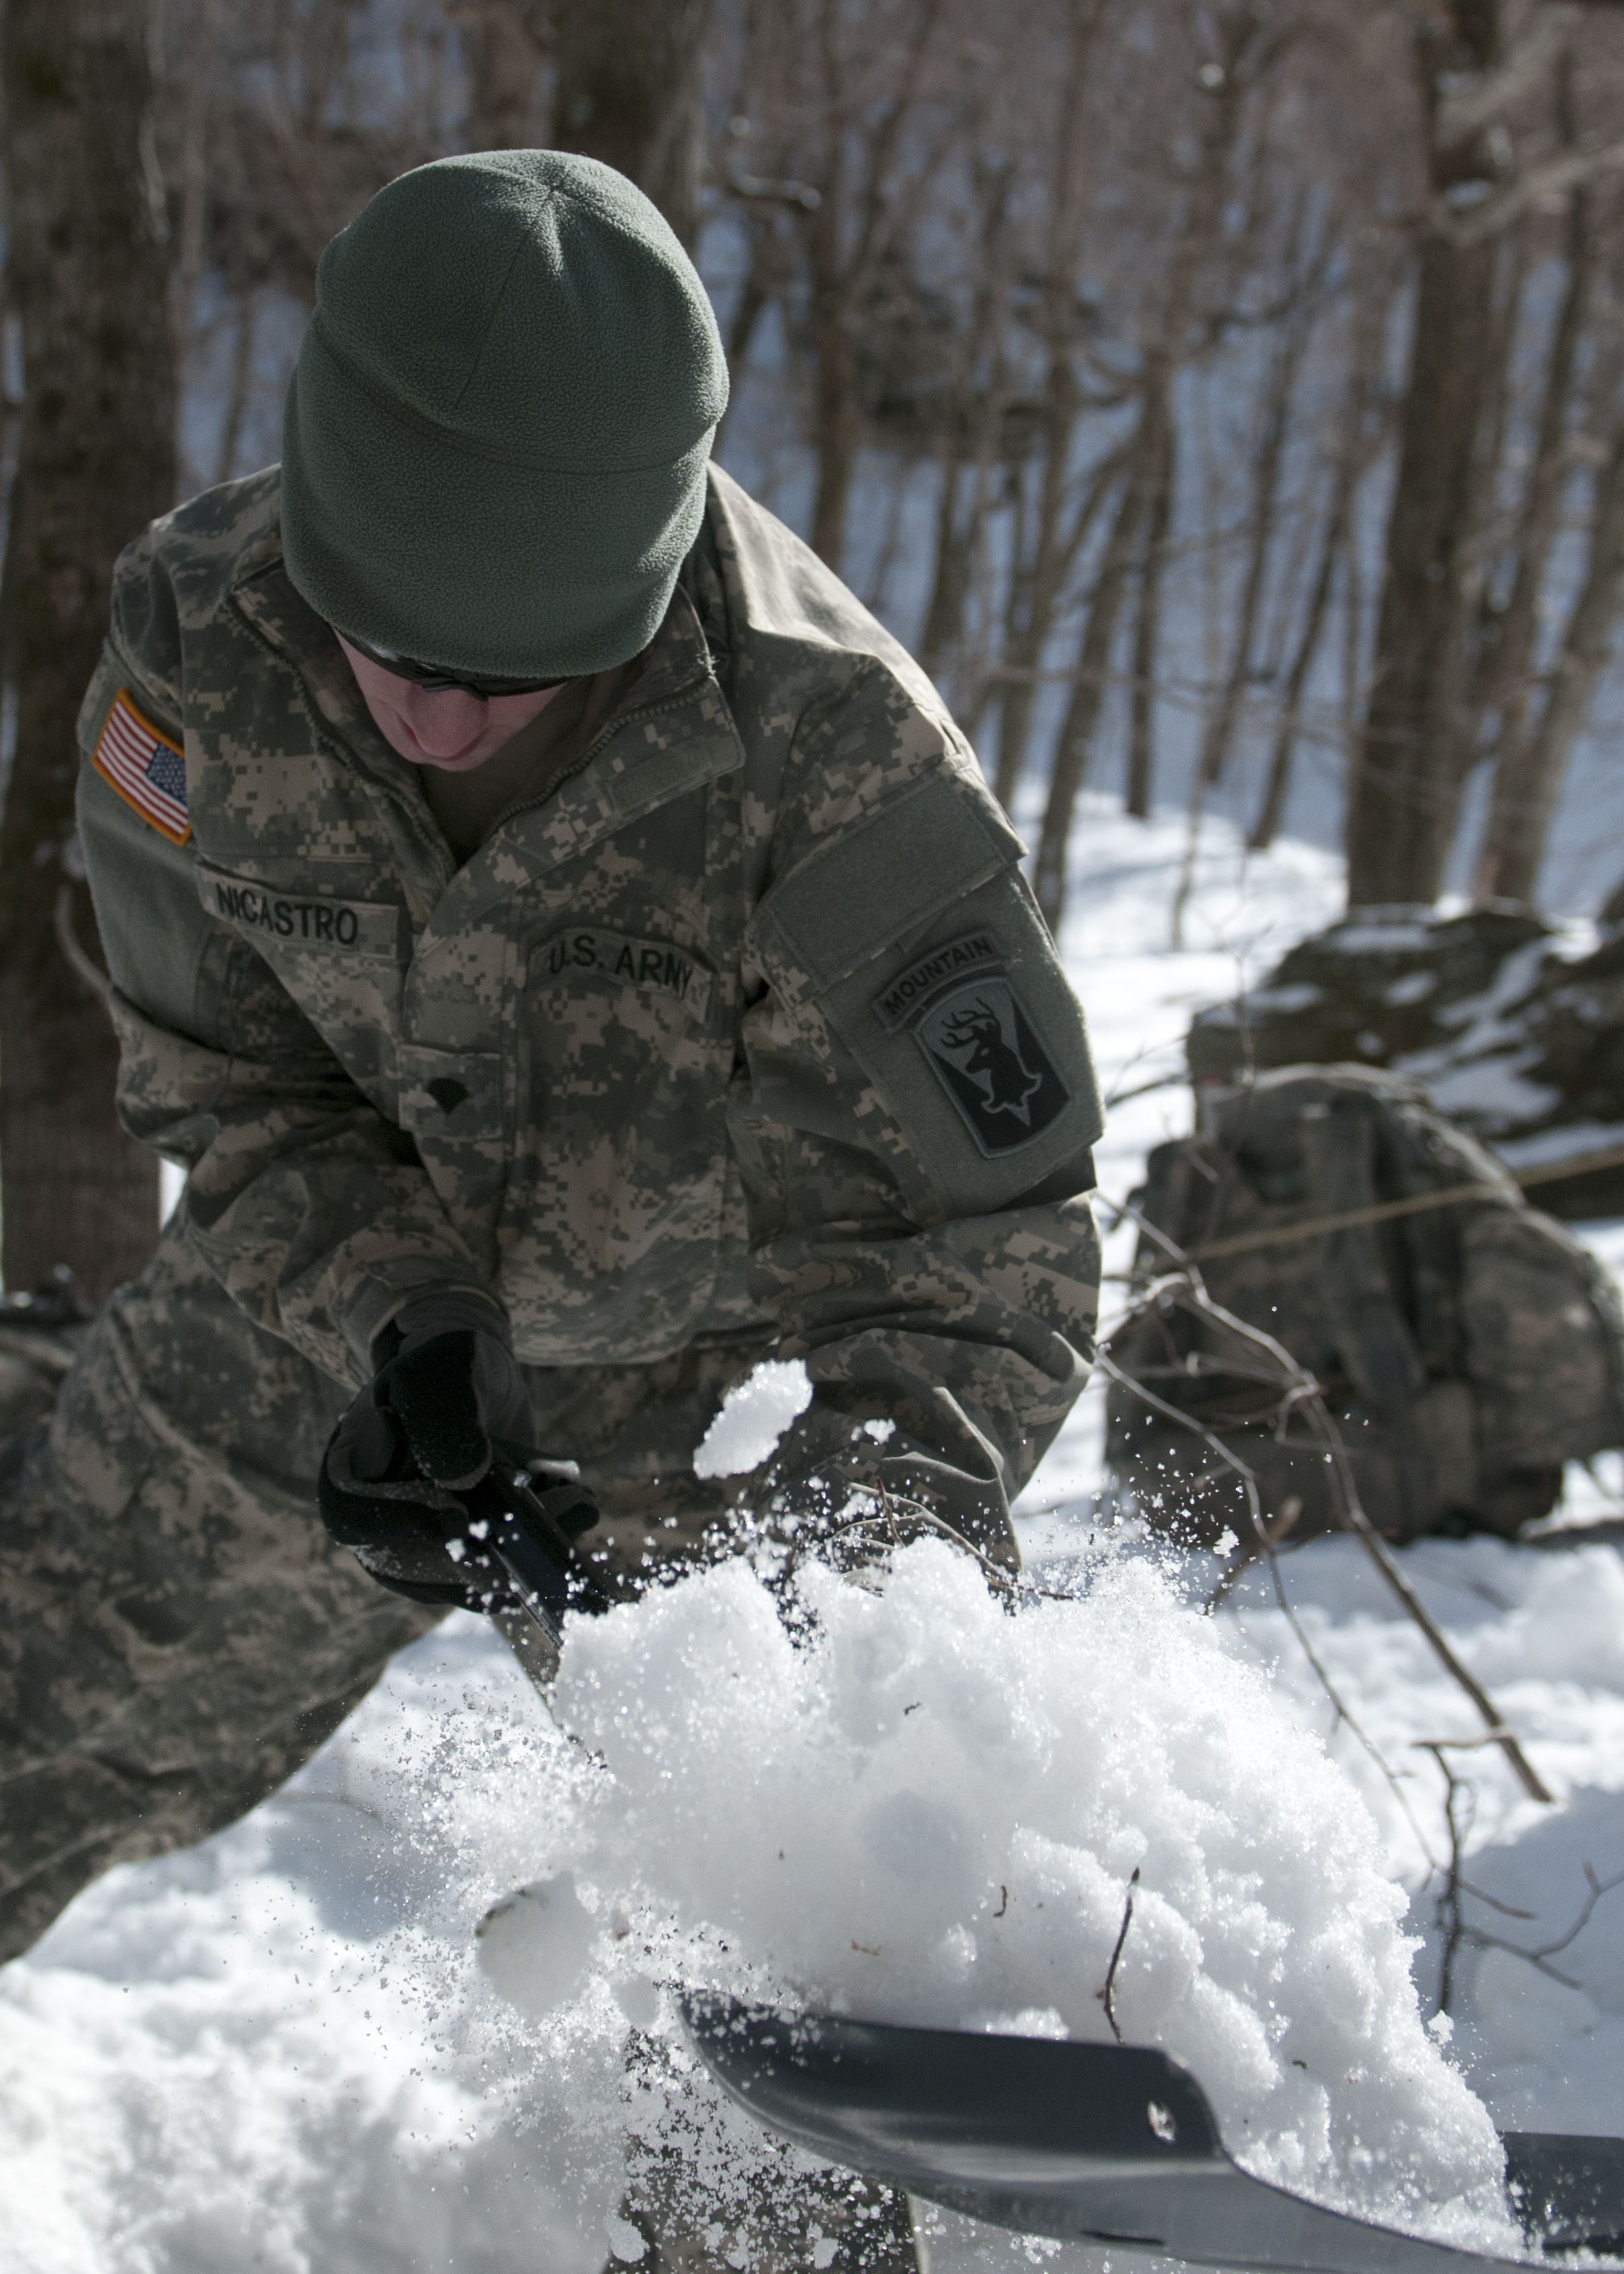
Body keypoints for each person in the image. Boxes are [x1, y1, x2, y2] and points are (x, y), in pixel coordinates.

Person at [0, 152, 1102, 1985]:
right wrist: (398, 1315)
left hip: (717, 1400)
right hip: (315, 1341)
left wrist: (827, 1586)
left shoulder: (837, 766)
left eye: (505, 680)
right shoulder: (199, 634)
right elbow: (226, 1077)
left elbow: (981, 1263)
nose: (430, 718)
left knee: (785, 1926)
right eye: (386, 645)